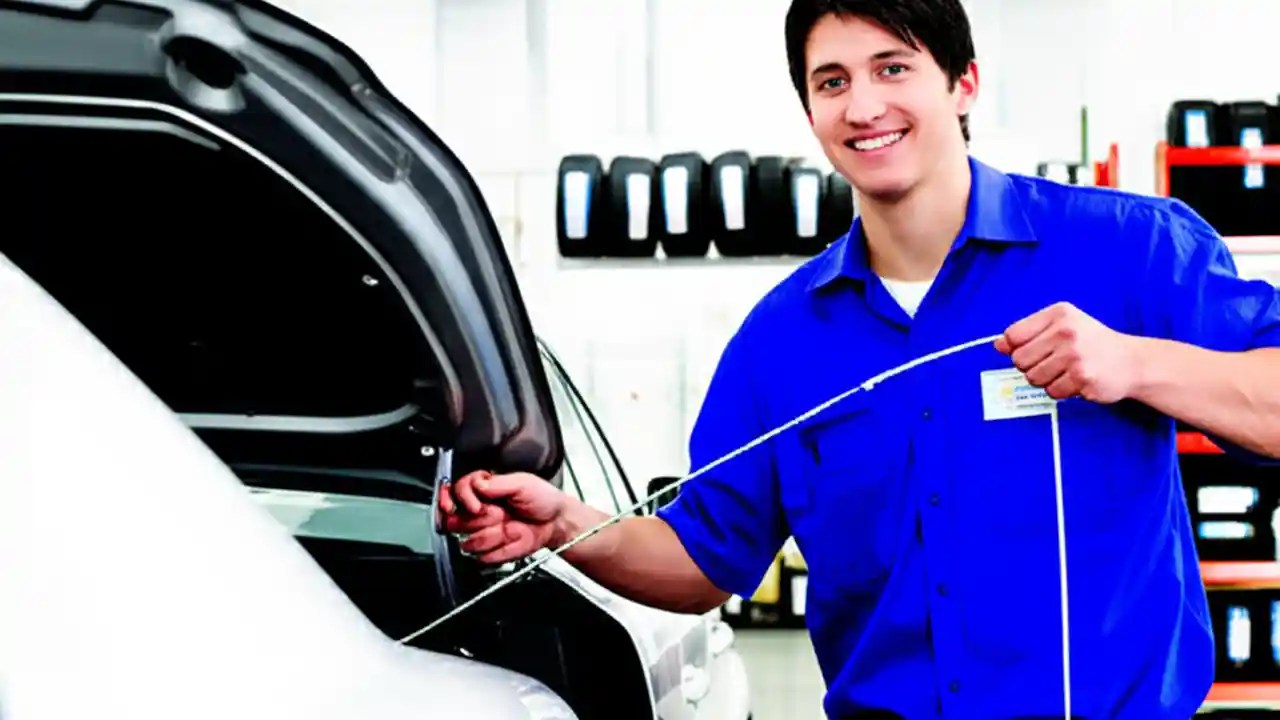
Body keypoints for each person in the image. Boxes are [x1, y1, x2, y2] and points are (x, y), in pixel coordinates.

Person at [439, 0, 1280, 717]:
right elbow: (703, 559)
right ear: (810, 112)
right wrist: (564, 527)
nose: (863, 105)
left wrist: (1134, 364)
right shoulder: (781, 340)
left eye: (892, 68)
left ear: (962, 85)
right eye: (831, 82)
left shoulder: (1127, 252)